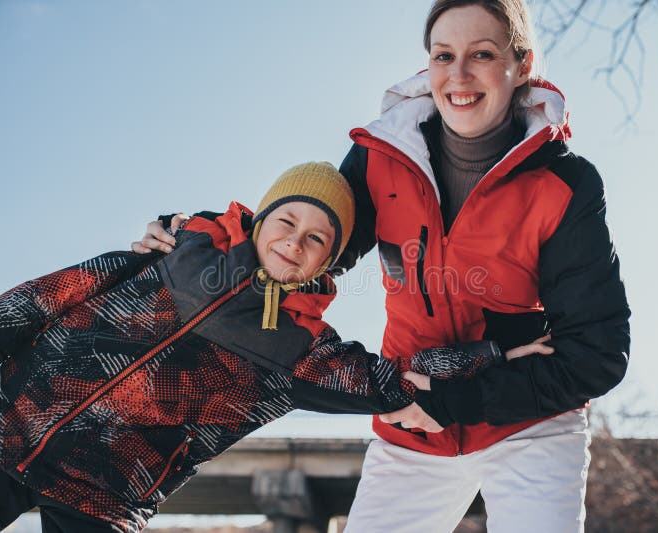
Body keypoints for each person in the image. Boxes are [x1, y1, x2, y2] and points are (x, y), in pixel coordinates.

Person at [136, 2, 631, 531]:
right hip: (413, 421)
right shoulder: (383, 158)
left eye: (482, 54)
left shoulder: (564, 185)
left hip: (526, 421)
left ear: (522, 65)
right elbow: (302, 246)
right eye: (444, 55)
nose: (459, 75)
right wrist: (196, 240)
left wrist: (460, 399)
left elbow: (596, 355)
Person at [0, 161, 543, 533]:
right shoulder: (182, 250)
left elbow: (402, 379)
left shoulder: (303, 352)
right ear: (262, 219)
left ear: (326, 262)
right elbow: (64, 288)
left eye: (317, 239)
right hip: (2, 423)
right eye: (287, 221)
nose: (294, 242)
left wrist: (497, 351)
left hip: (102, 494)